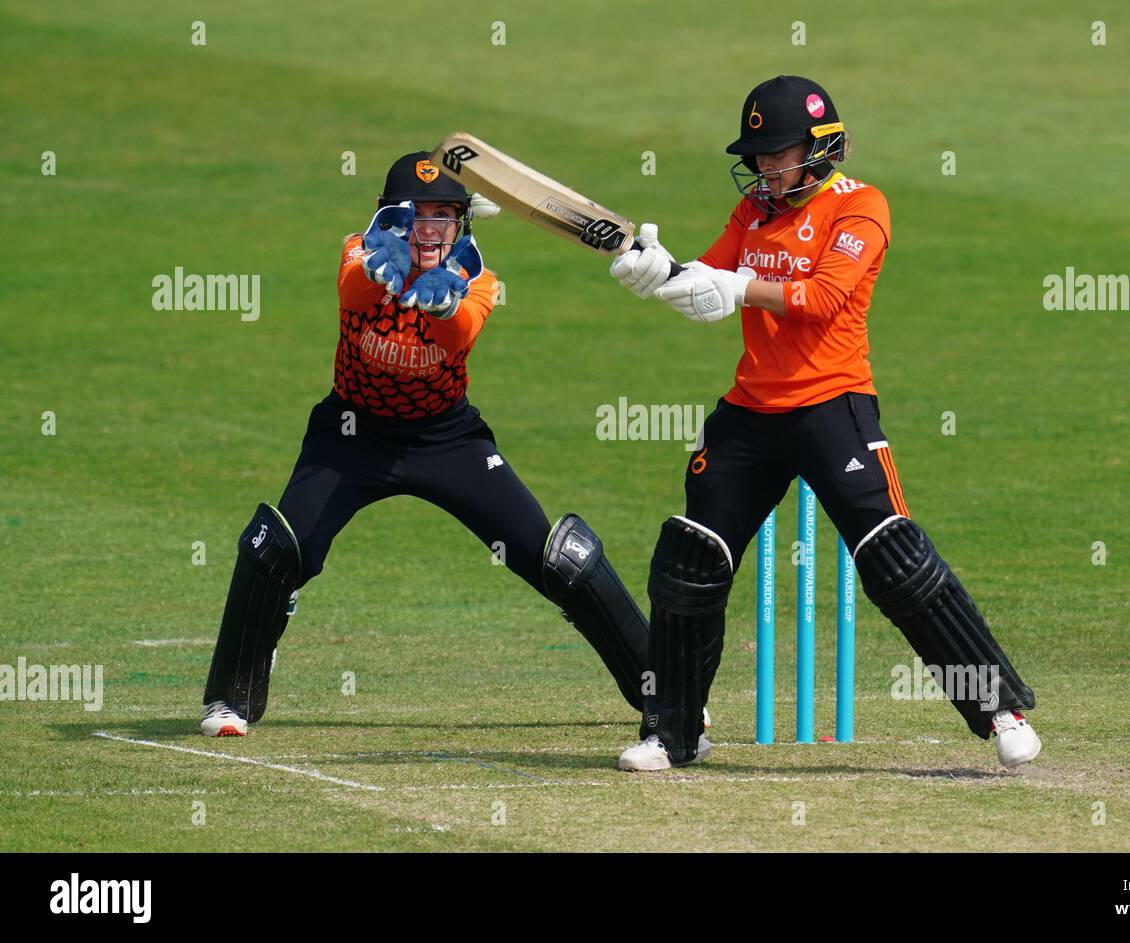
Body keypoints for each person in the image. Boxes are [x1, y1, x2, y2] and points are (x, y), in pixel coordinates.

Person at [609, 76, 1040, 771]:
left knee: (896, 563)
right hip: (750, 414)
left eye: (775, 154)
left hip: (833, 405)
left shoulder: (861, 207)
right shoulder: (751, 211)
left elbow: (826, 296)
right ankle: (673, 731)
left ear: (819, 148)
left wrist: (738, 286)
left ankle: (999, 710)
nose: (763, 169)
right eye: (757, 156)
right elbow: (706, 283)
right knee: (690, 561)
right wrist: (656, 272)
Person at [200, 151, 651, 737]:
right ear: (391, 216)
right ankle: (229, 698)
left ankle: (661, 689)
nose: (433, 230)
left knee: (554, 558)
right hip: (351, 435)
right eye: (420, 215)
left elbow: (462, 329)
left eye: (447, 216)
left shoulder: (478, 282)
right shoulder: (357, 255)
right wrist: (381, 272)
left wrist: (443, 303)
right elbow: (353, 292)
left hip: (447, 439)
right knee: (278, 551)